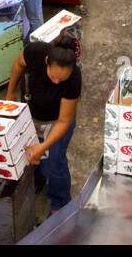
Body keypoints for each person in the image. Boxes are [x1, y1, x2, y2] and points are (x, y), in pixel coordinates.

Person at [6, 29, 80, 211]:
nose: (56, 82)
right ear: (46, 61)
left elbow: (64, 121)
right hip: (30, 113)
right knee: (31, 155)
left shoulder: (74, 79)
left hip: (55, 121)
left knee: (54, 161)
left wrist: (44, 145)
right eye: (53, 76)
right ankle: (37, 182)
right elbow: (18, 64)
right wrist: (10, 92)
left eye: (61, 79)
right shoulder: (35, 52)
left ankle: (60, 203)